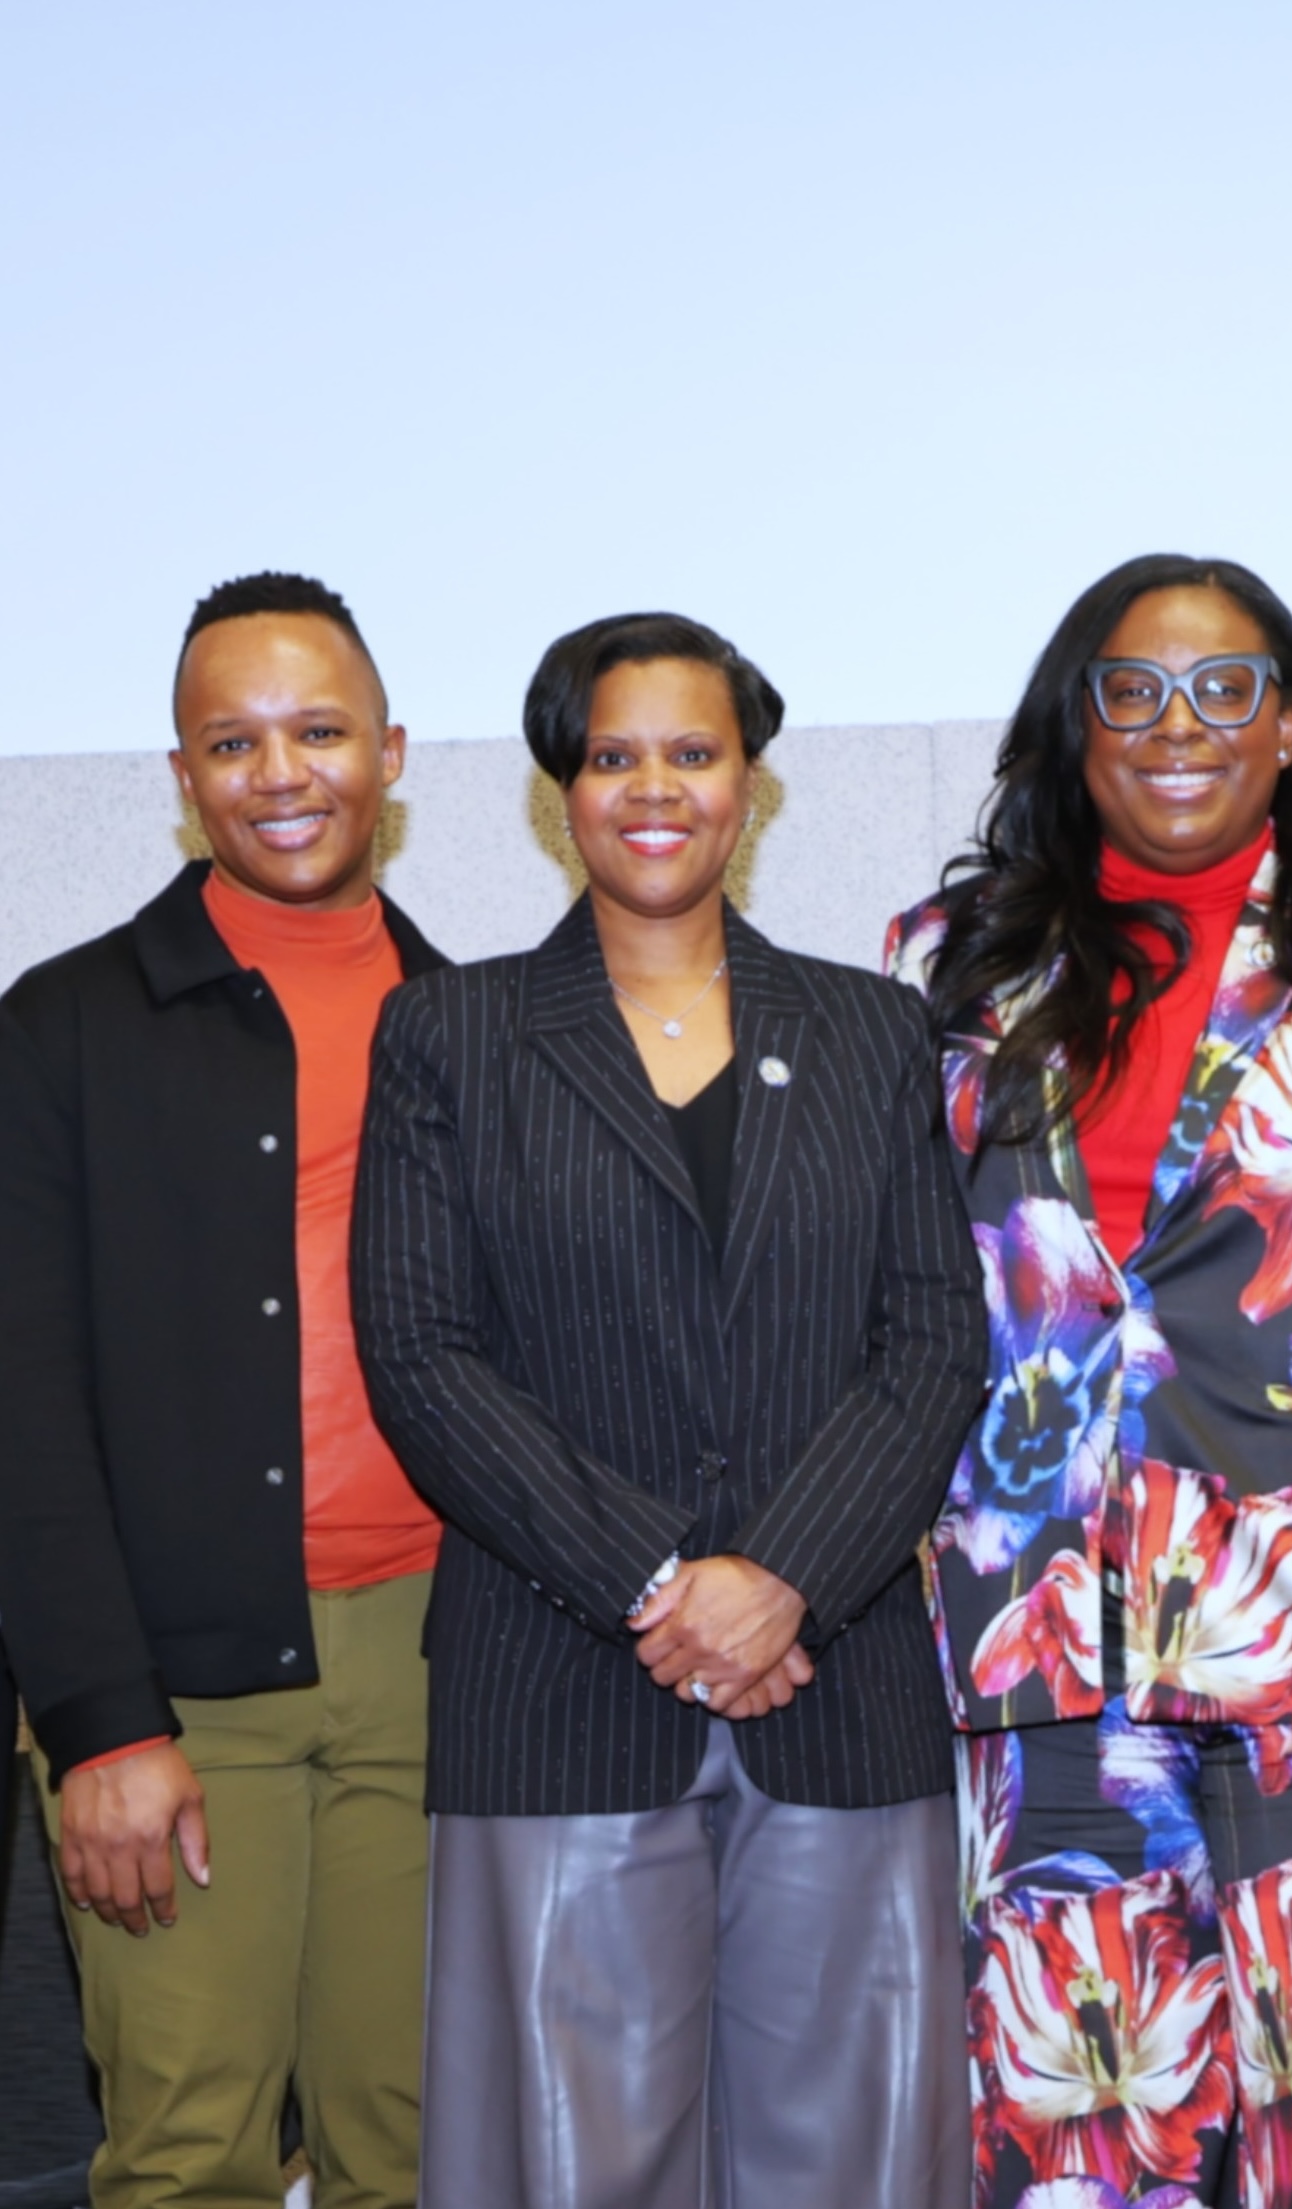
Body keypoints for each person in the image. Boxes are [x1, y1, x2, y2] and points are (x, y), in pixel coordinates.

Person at [886, 554, 1292, 2209]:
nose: (1182, 725)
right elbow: (905, 1292)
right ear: (1074, 722)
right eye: (1136, 688)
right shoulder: (950, 960)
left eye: (1228, 686)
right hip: (1040, 1643)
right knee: (1083, 2136)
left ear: (1289, 724)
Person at [352, 612, 984, 2207]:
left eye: (692, 753)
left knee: (842, 2156)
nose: (654, 787)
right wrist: (658, 1580)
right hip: (563, 1682)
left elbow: (931, 1345)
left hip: (832, 1683)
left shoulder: (867, 1029)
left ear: (749, 784)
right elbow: (423, 1354)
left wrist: (782, 1582)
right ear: (561, 786)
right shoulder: (452, 1033)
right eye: (613, 754)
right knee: (574, 2158)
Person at [0, 572, 444, 2209]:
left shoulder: (475, 1019)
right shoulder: (61, 1028)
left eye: (319, 730)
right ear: (181, 774)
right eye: (233, 741)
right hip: (179, 1693)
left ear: (391, 752)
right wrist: (98, 1719)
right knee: (190, 2159)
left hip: (438, 1666)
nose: (282, 772)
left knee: (422, 2151)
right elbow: (22, 1404)